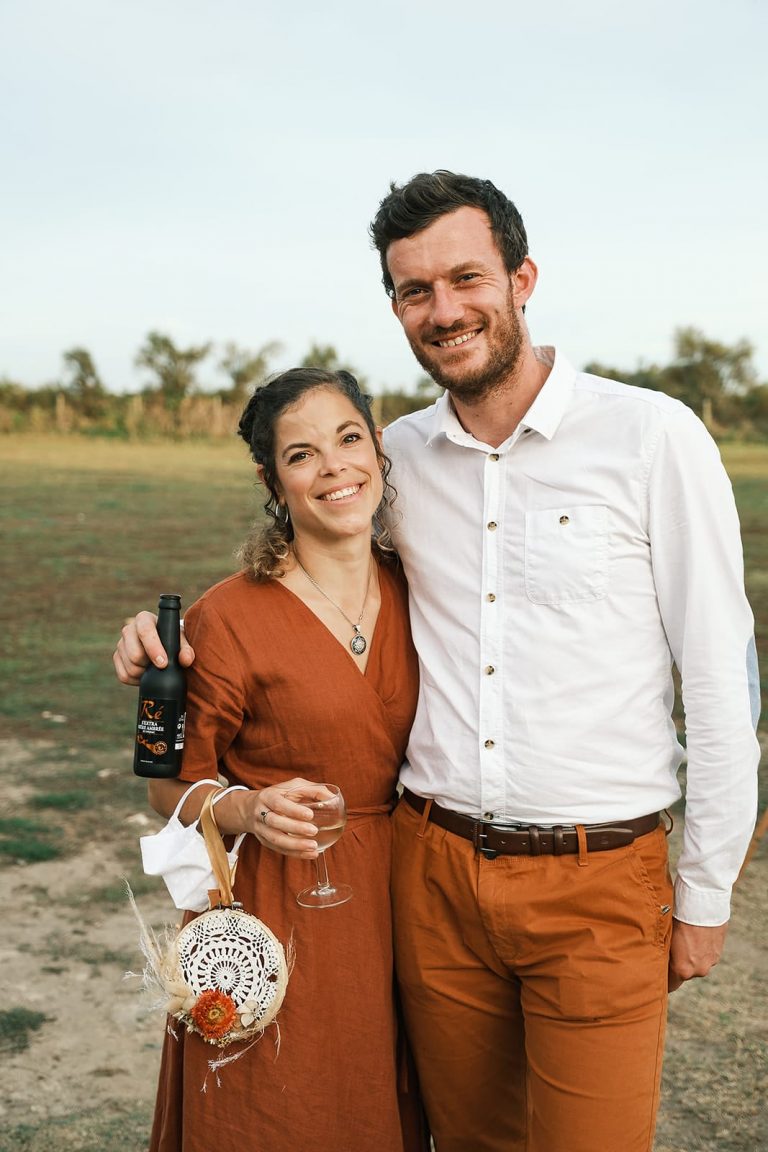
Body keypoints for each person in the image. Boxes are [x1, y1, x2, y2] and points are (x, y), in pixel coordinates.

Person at [115, 172, 760, 1152]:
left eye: (466, 278)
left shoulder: (651, 438)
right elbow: (301, 568)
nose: (444, 309)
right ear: (396, 308)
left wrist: (706, 894)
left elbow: (720, 683)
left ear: (522, 279)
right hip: (431, 881)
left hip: (597, 880)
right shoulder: (401, 456)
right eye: (415, 290)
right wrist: (157, 636)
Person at [126, 366, 426, 1152]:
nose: (334, 468)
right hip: (276, 905)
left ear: (378, 447)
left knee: (375, 1104)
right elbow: (167, 786)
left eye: (348, 439)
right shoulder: (227, 618)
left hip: (404, 898)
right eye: (302, 455)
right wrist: (247, 808)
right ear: (272, 481)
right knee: (278, 1111)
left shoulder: (422, 587)